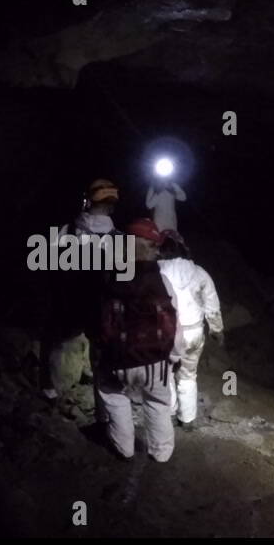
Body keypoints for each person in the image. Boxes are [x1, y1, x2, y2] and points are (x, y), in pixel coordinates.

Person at [89, 218, 184, 462]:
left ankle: (124, 448)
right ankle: (161, 453)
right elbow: (174, 322)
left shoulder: (112, 279)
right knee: (158, 403)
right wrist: (175, 356)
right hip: (156, 363)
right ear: (152, 248)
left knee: (113, 395)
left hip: (118, 358)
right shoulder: (162, 282)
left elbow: (100, 319)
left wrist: (100, 350)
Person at [40, 178, 122, 401]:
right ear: (111, 205)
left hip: (68, 299)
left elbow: (49, 265)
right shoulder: (117, 238)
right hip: (98, 303)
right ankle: (105, 406)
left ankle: (47, 385)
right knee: (101, 351)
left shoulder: (67, 229)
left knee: (52, 337)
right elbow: (121, 274)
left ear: (87, 201)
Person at [157, 230, 223, 429]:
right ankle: (187, 419)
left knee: (165, 373)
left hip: (167, 332)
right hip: (193, 332)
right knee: (188, 375)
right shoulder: (199, 272)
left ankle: (168, 412)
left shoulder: (157, 271)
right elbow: (212, 305)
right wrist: (217, 330)